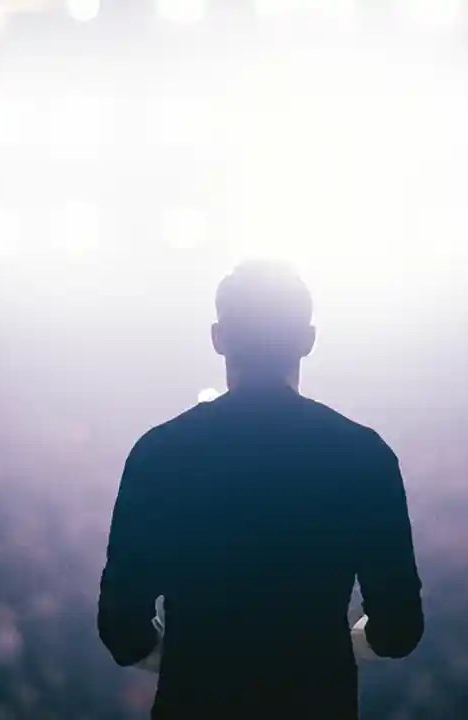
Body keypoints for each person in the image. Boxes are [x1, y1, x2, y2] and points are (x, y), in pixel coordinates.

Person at [98, 261, 424, 719]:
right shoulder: (363, 456)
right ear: (308, 340)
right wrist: (327, 650)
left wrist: (197, 660)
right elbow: (399, 628)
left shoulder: (160, 453)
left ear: (218, 337)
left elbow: (120, 628)